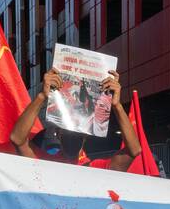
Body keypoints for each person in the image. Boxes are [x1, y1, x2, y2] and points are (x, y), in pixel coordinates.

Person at [11, 69, 140, 170]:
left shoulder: (95, 169)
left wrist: (117, 105)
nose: (72, 136)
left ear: (85, 136)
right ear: (58, 134)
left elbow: (134, 150)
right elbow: (17, 139)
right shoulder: (47, 164)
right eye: (67, 132)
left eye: (77, 133)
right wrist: (41, 96)